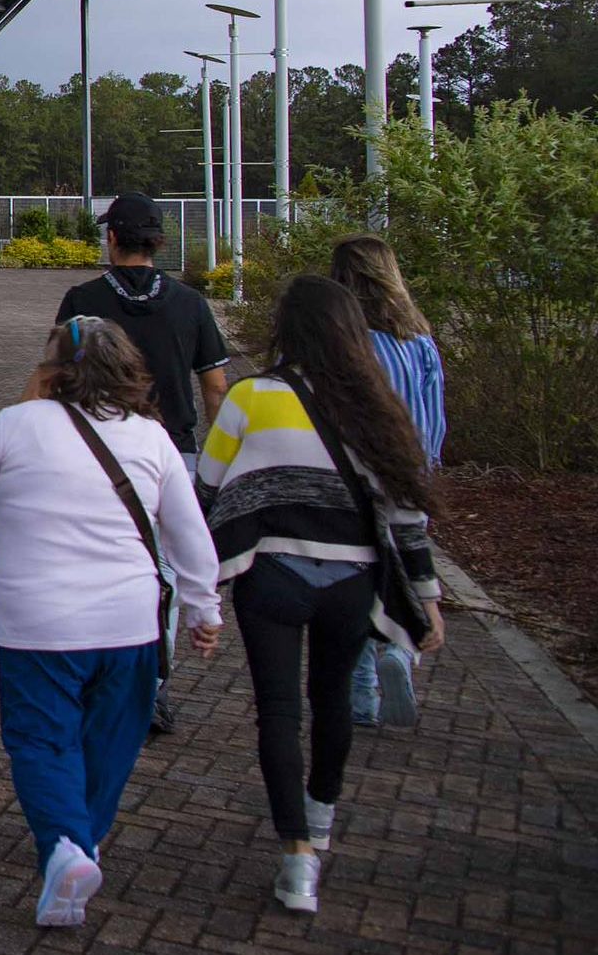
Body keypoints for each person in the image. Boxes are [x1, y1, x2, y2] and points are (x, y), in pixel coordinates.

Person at [0, 316, 222, 928]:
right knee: (111, 740)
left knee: (41, 740)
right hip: (129, 624)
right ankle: (81, 844)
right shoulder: (152, 438)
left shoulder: (14, 425)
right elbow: (188, 534)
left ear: (53, 368)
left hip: (37, 622)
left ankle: (67, 847)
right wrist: (205, 608)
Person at [197, 275, 446, 916]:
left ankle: (296, 858)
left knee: (278, 713)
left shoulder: (251, 396)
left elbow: (209, 486)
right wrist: (428, 598)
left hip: (270, 575)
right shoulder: (374, 404)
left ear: (287, 327)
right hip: (352, 581)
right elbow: (405, 514)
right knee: (331, 699)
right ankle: (322, 812)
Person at [56, 192, 231, 735]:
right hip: (171, 450)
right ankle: (149, 687)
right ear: (158, 240)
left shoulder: (82, 299)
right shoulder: (190, 302)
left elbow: (57, 375)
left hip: (92, 452)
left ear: (112, 238)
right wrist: (215, 459)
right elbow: (216, 386)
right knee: (167, 575)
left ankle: (89, 676)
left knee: (86, 563)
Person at [331, 235, 445, 730]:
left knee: (354, 576)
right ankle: (401, 648)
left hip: (354, 472)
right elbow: (435, 412)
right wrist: (427, 468)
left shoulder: (342, 340)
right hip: (407, 469)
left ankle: (362, 694)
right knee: (404, 563)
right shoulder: (418, 338)